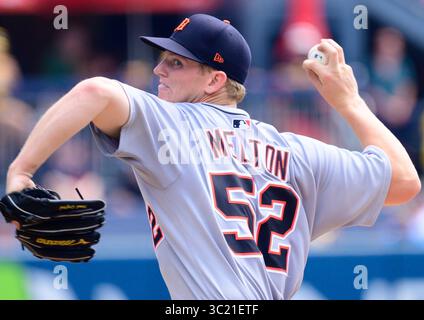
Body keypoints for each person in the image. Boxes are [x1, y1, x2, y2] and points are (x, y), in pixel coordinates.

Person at [4, 14, 420, 299]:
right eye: (162, 60)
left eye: (175, 63)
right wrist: (349, 102)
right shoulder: (298, 153)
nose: (158, 71)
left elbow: (94, 92)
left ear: (215, 80)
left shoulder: (171, 125)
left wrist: (21, 172)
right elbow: (405, 182)